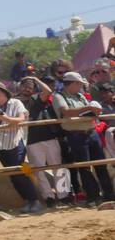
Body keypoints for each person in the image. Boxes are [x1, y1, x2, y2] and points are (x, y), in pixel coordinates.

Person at [52, 72, 114, 206]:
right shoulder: (58, 96)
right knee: (84, 167)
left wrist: (92, 110)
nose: (80, 86)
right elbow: (66, 112)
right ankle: (93, 196)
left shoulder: (80, 96)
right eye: (79, 84)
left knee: (100, 164)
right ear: (72, 83)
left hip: (91, 132)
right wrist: (88, 108)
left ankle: (109, 195)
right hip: (75, 134)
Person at [0, 81, 43, 215]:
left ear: (4, 91)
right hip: (0, 145)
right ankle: (27, 201)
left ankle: (35, 200)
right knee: (13, 175)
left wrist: (4, 118)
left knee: (22, 172)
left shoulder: (15, 103)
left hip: (16, 142)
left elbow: (21, 119)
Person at [22, 76, 70, 205]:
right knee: (39, 171)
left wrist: (35, 78)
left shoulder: (36, 98)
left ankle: (63, 195)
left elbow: (48, 91)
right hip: (31, 141)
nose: (27, 88)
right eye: (24, 85)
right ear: (20, 87)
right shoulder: (15, 101)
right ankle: (48, 197)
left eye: (30, 86)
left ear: (34, 88)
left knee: (58, 167)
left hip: (48, 137)